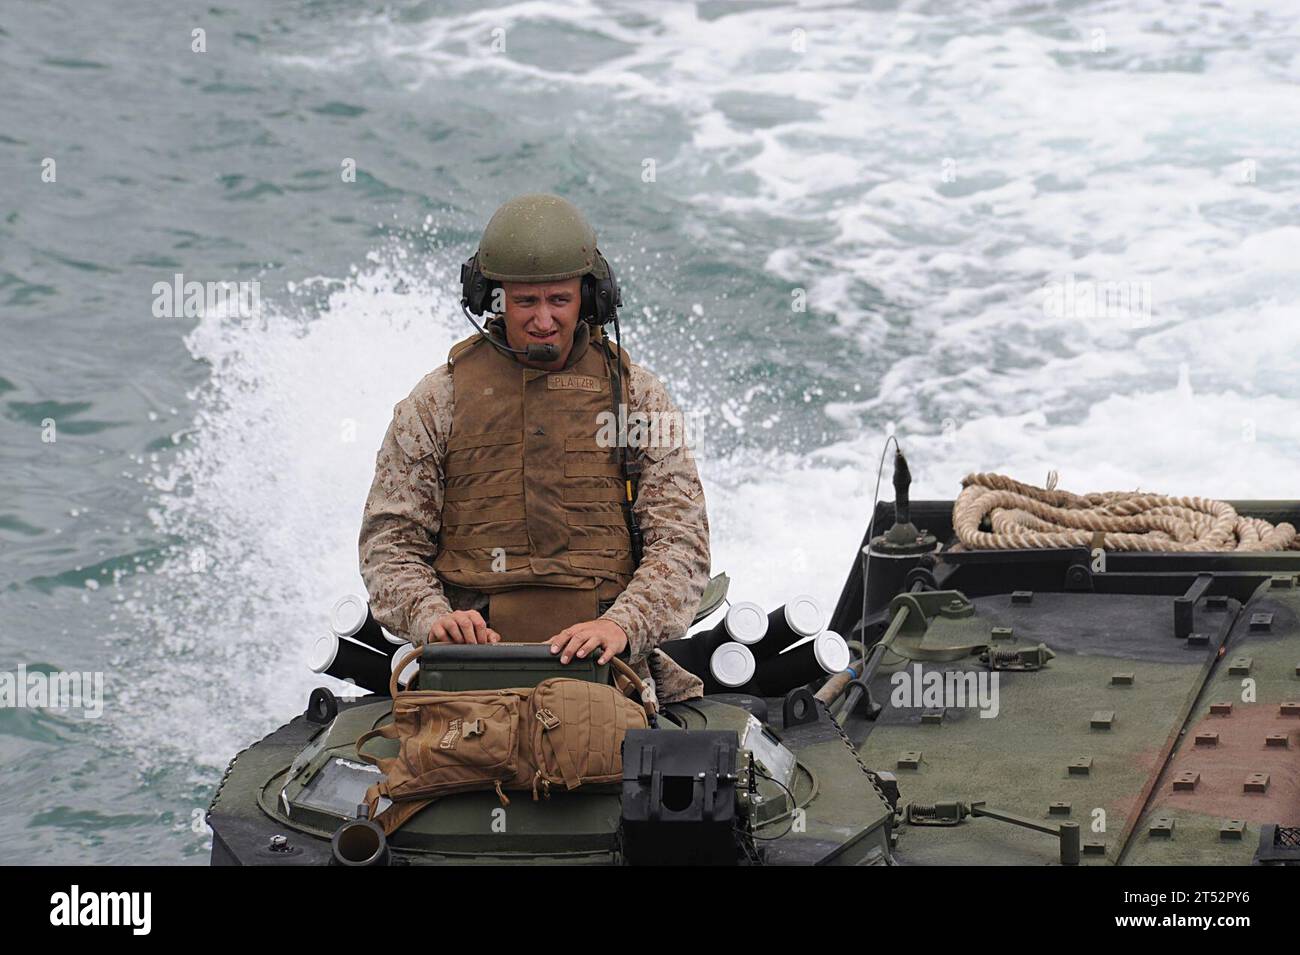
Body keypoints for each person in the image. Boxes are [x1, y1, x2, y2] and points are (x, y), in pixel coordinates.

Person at [358, 193, 709, 702]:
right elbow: (390, 545)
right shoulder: (438, 401)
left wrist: (621, 626)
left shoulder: (635, 397)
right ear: (493, 298)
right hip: (469, 672)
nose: (543, 320)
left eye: (559, 300)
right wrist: (433, 618)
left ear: (590, 299)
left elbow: (682, 543)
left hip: (610, 669)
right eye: (525, 301)